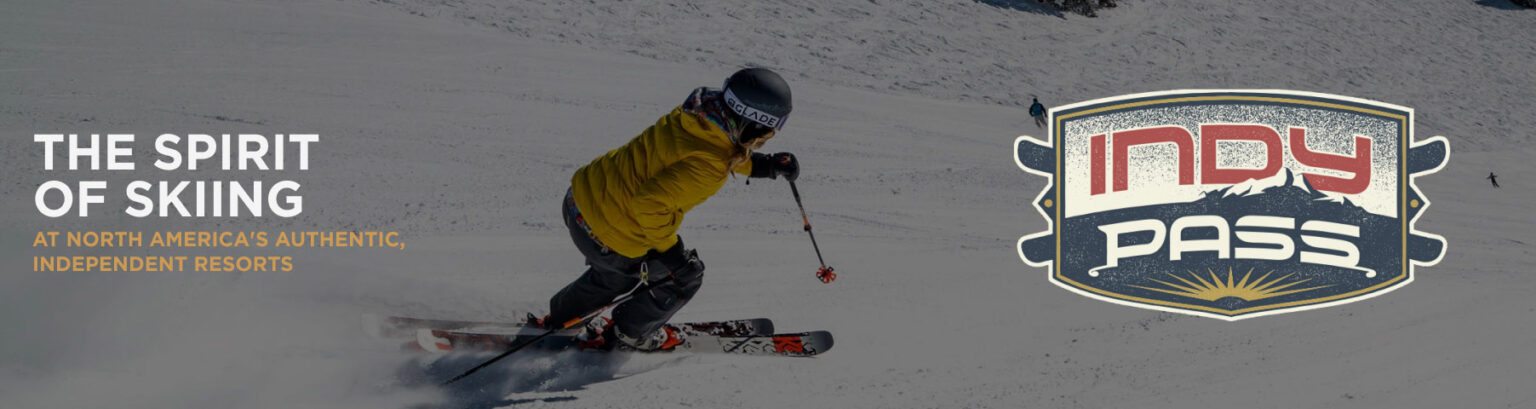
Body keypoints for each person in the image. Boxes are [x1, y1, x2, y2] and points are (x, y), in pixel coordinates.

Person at [541, 68, 801, 351]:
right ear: (754, 123)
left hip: (581, 203)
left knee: (614, 275)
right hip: (610, 234)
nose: (771, 135)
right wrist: (673, 255)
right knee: (683, 277)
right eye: (773, 127)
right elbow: (651, 204)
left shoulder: (696, 114)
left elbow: (705, 150)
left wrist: (766, 166)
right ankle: (630, 334)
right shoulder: (711, 165)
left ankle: (562, 319)